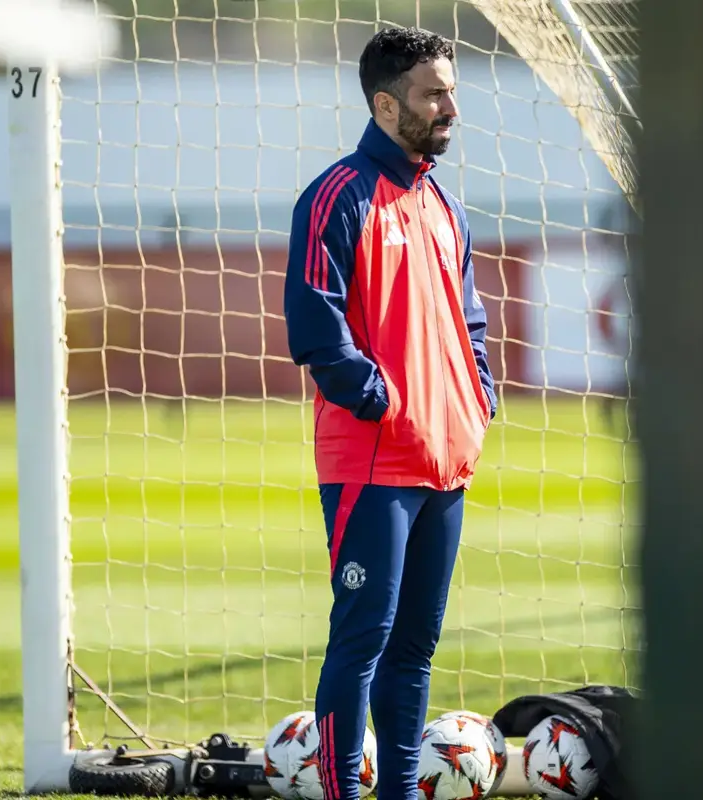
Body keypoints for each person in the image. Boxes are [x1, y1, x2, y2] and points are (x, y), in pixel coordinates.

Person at [282, 25, 496, 800]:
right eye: (434, 94)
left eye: (451, 92)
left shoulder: (444, 205)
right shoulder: (336, 195)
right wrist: (380, 400)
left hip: (447, 463)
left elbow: (470, 322)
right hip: (372, 463)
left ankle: (399, 793)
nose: (450, 108)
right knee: (362, 643)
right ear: (384, 103)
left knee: (414, 651)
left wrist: (478, 395)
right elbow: (314, 325)